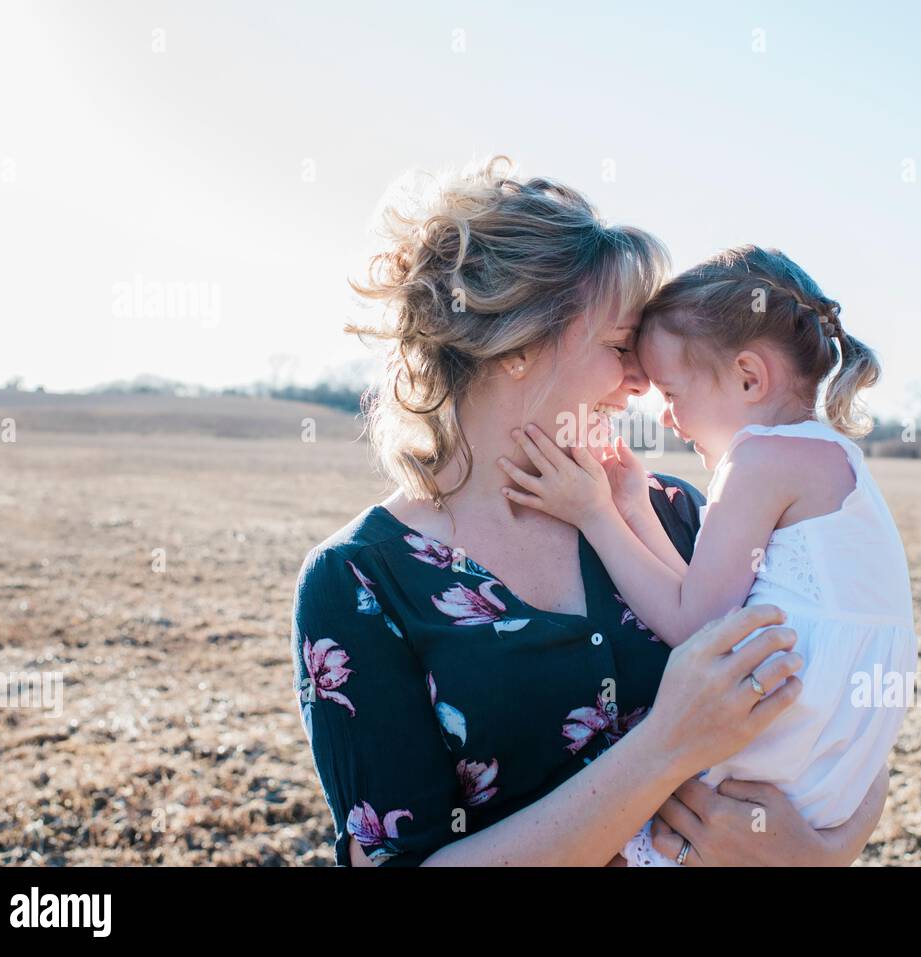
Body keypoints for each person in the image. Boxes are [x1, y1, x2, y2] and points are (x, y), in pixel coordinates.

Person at [291, 158, 890, 866]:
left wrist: (818, 853)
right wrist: (668, 745)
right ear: (516, 345)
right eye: (618, 348)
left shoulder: (676, 513)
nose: (642, 383)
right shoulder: (361, 581)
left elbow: (838, 699)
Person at [496, 244, 916, 866]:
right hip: (834, 754)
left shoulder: (756, 461)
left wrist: (594, 514)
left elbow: (695, 625)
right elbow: (704, 595)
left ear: (749, 377)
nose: (665, 416)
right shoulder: (830, 458)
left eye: (671, 390)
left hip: (782, 722)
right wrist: (636, 506)